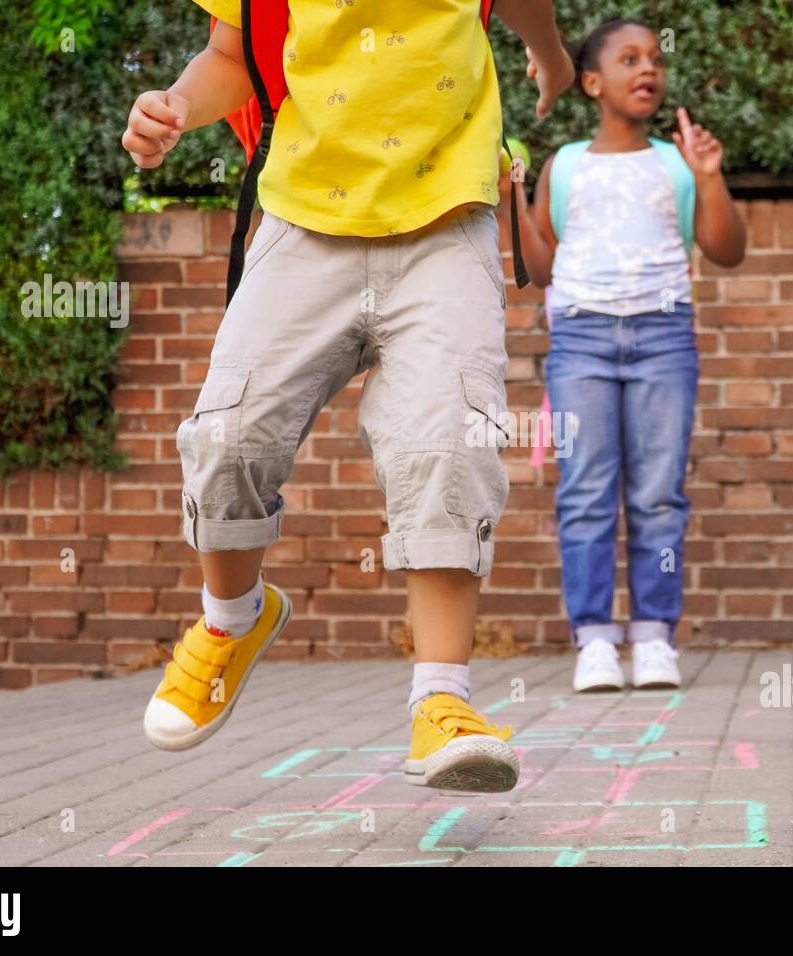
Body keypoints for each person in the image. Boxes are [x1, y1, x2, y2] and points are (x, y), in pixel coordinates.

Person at [120, 0, 573, 791]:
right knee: (227, 437)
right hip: (302, 220)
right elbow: (230, 56)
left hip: (446, 218)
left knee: (447, 446)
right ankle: (234, 618)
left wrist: (552, 54)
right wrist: (177, 106)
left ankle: (442, 702)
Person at [501, 18, 745, 691]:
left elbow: (727, 250)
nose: (648, 69)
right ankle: (594, 640)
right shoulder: (567, 164)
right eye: (629, 59)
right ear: (590, 81)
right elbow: (543, 268)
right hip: (581, 342)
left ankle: (655, 637)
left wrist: (711, 176)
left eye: (655, 60)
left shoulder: (675, 161)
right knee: (585, 495)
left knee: (658, 496)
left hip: (663, 340)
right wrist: (515, 206)